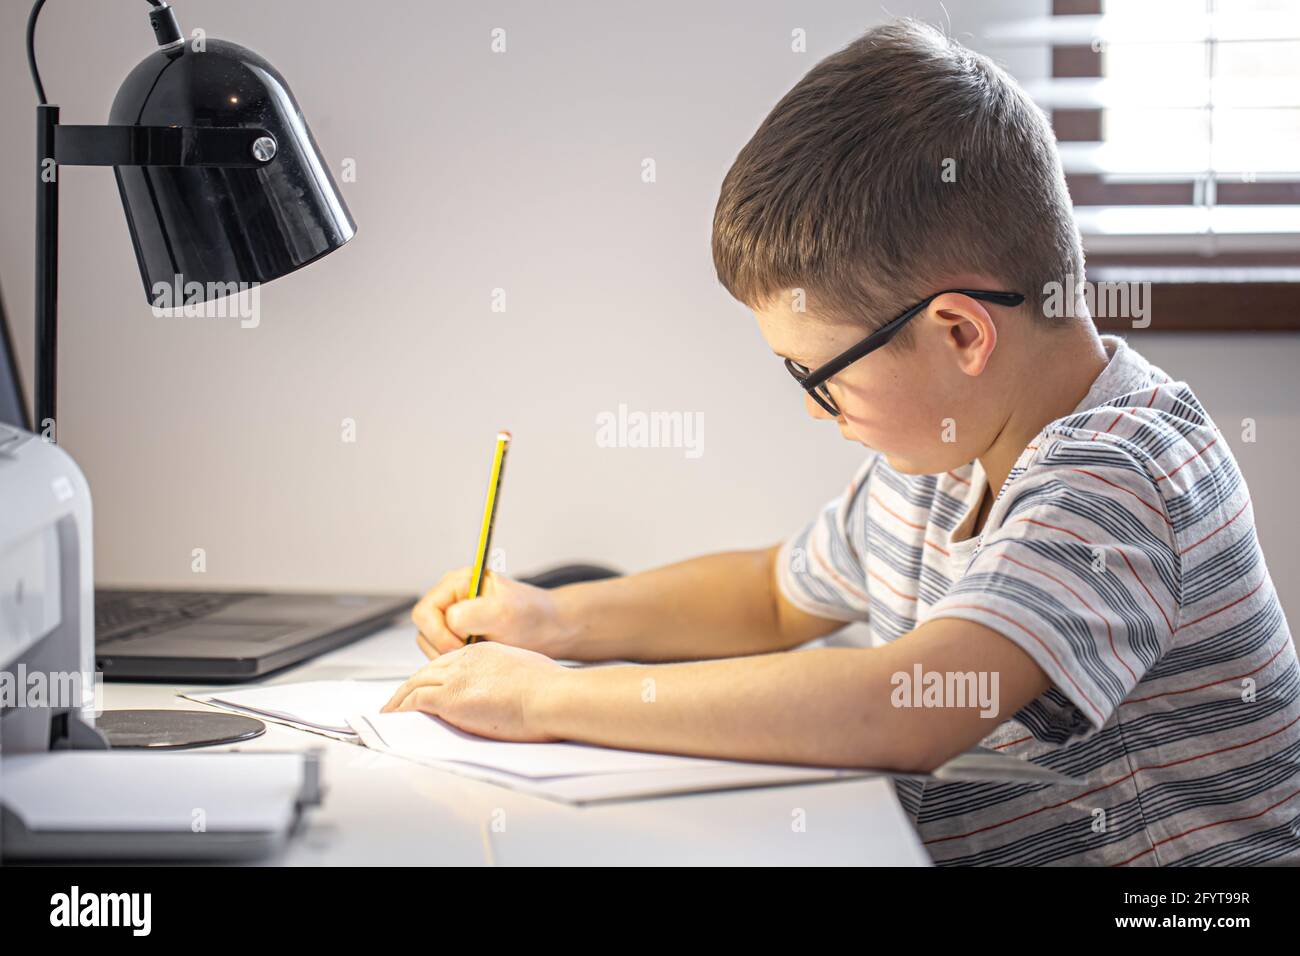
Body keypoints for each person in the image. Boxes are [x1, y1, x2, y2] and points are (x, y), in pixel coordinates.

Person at [383, 19, 1299, 866]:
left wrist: (548, 699)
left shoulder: (1118, 481)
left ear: (960, 333)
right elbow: (774, 596)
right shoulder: (944, 458)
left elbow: (906, 707)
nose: (815, 412)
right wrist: (554, 621)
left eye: (817, 375)